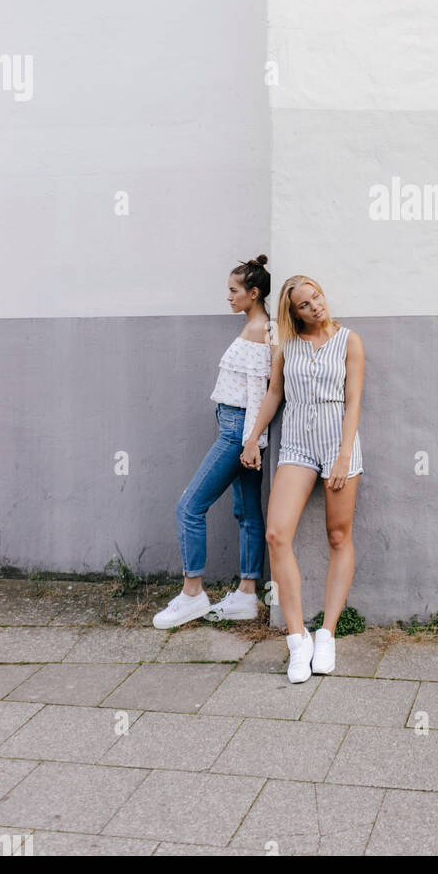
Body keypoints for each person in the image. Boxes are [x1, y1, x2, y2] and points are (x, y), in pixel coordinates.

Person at [240, 275, 364, 682]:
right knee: (277, 534)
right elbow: (275, 394)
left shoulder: (349, 341)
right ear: (293, 313)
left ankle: (327, 633)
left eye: (317, 298)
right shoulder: (287, 347)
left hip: (336, 444)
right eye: (305, 305)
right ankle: (298, 640)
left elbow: (353, 401)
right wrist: (254, 438)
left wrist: (344, 454)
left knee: (338, 536)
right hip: (295, 444)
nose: (316, 307)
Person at [152, 256, 271, 629]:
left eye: (234, 291)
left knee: (189, 506)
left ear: (253, 293)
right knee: (247, 513)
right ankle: (248, 595)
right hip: (241, 432)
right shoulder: (258, 326)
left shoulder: (257, 330)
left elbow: (257, 394)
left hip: (238, 434)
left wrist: (251, 442)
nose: (228, 297)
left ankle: (193, 593)